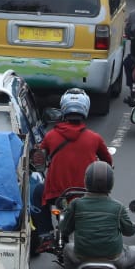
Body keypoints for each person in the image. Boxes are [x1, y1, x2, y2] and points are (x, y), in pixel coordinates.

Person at [38, 90, 112, 237]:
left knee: (37, 196)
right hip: (86, 191)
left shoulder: (51, 136)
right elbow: (107, 161)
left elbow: (38, 157)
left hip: (57, 192)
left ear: (63, 108)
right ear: (85, 109)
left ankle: (46, 234)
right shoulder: (95, 138)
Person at [60, 162, 135, 269]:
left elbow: (65, 230)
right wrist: (134, 226)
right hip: (113, 258)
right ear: (111, 183)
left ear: (86, 180)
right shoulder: (118, 207)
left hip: (82, 257)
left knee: (67, 249)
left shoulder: (76, 204)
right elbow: (129, 231)